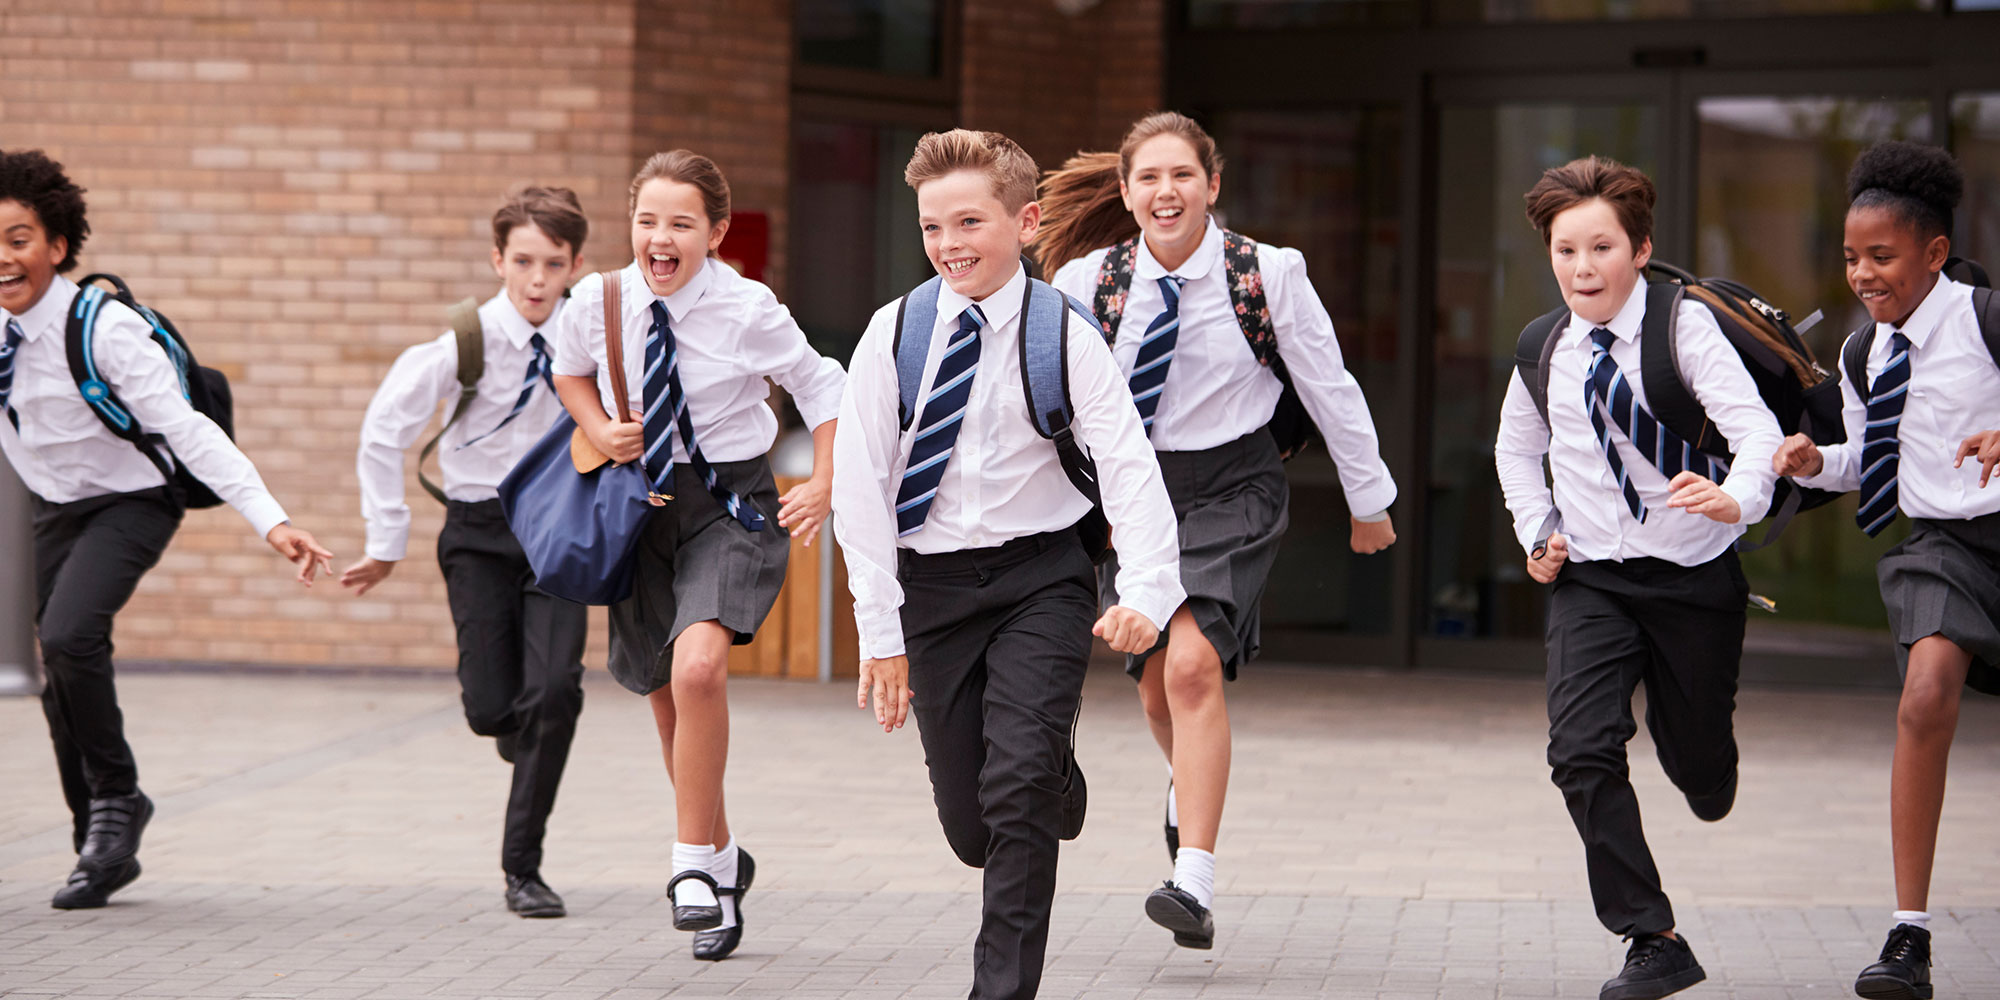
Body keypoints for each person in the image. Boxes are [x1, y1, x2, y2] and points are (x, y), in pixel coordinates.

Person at [832, 127, 1184, 1000]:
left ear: (1025, 222)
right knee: (974, 825)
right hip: (935, 590)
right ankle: (1051, 778)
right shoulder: (895, 334)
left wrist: (1144, 592)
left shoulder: (1064, 332)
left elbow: (1131, 470)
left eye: (969, 223)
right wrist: (880, 635)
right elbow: (859, 489)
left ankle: (1001, 989)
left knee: (1015, 789)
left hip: (1042, 580)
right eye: (932, 229)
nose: (949, 245)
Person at [1039, 111, 1398, 948]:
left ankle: (1191, 880)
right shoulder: (1088, 283)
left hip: (1236, 483)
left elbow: (1329, 384)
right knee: (1156, 679)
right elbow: (1042, 401)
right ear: (1126, 193)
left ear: (1213, 185)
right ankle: (1182, 783)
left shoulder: (1267, 273)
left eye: (1183, 176)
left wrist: (1368, 500)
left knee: (1193, 665)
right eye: (1149, 179)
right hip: (1135, 494)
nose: (1167, 192)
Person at [0, 148, 333, 909]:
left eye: (18, 238)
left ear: (55, 245)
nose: (3, 257)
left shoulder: (105, 328)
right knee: (60, 672)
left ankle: (118, 798)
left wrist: (271, 521)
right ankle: (100, 838)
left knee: (70, 634)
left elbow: (186, 431)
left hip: (134, 498)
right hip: (53, 505)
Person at [1493, 156, 1781, 1000]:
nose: (1583, 269)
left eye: (1602, 249)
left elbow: (1755, 435)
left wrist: (1734, 498)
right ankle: (1652, 936)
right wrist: (1537, 530)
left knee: (1692, 762)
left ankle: (1709, 770)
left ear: (1641, 249)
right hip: (1592, 581)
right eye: (1566, 251)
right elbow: (1517, 449)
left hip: (1693, 581)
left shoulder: (1684, 330)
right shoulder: (1544, 346)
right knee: (1579, 750)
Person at [549, 150, 845, 961]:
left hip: (732, 507)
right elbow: (566, 370)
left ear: (714, 233)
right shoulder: (597, 299)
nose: (661, 238)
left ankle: (686, 869)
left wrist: (823, 477)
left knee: (698, 671)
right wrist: (597, 426)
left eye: (681, 223)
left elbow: (823, 385)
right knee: (665, 699)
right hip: (638, 509)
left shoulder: (748, 308)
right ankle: (719, 862)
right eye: (648, 221)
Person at [1772, 140, 2000, 1000]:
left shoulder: (1986, 319)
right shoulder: (1867, 354)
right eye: (1850, 258)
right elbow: (1876, 457)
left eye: (1881, 256)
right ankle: (1909, 936)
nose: (1862, 274)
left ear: (1934, 253)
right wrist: (1812, 462)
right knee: (1924, 695)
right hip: (1945, 544)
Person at [343, 186, 591, 918]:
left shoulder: (593, 336)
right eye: (523, 261)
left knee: (554, 693)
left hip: (558, 529)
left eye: (553, 263)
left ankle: (523, 868)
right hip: (479, 533)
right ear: (498, 260)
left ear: (576, 263)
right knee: (492, 709)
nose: (538, 279)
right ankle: (515, 733)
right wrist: (386, 540)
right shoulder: (464, 342)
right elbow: (382, 431)